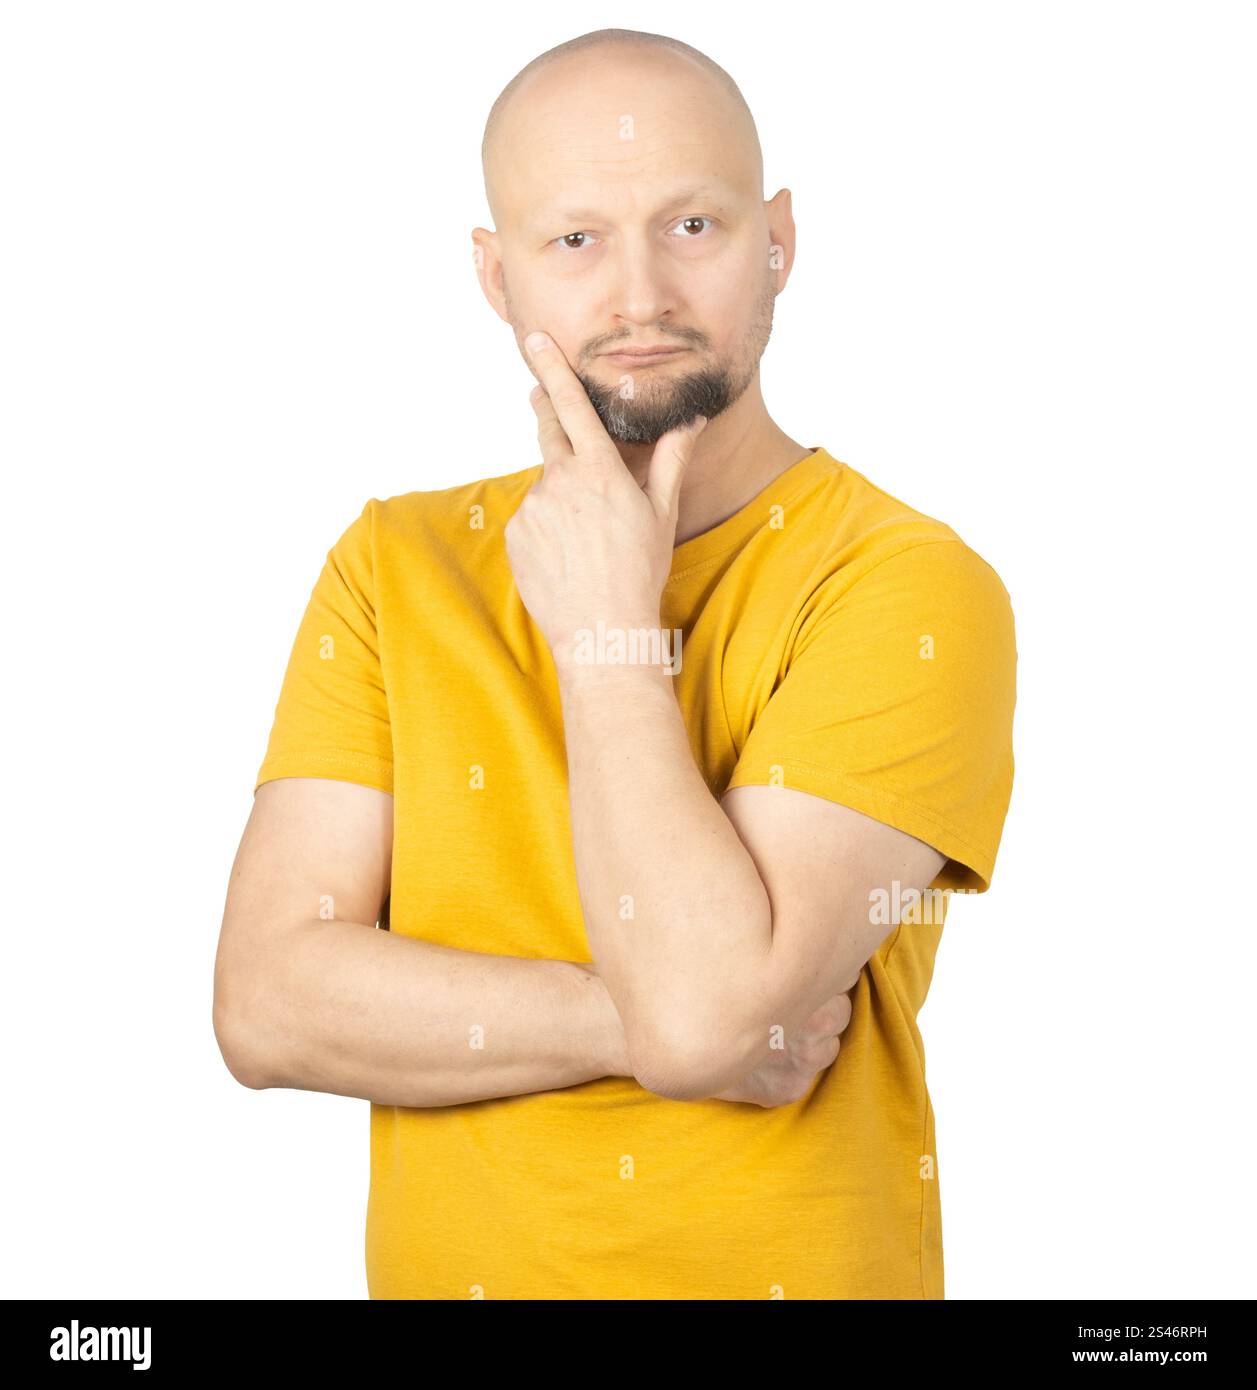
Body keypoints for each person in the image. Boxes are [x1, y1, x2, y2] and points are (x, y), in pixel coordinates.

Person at [213, 27, 1017, 1300]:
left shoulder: (906, 585)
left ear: (778, 241)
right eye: (575, 239)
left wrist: (607, 638)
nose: (639, 295)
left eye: (691, 225)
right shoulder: (394, 564)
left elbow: (707, 1015)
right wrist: (617, 1017)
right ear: (497, 277)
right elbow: (264, 1004)